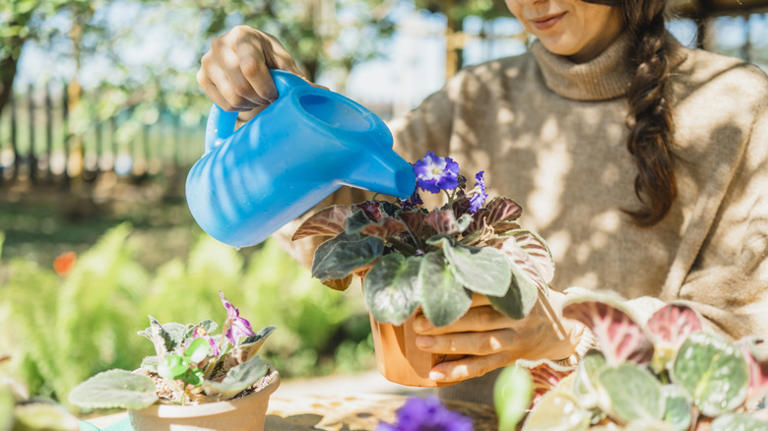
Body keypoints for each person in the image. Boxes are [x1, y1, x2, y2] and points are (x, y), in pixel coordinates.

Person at [196, 0, 768, 404]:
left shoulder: (739, 109)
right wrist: (266, 113)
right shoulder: (475, 99)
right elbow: (341, 221)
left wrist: (572, 331)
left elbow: (752, 330)